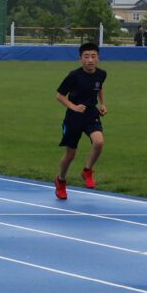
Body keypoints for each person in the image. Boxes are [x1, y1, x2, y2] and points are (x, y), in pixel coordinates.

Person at [54, 41, 107, 200]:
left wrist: (103, 103)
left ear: (98, 58)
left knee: (99, 142)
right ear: (80, 59)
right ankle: (61, 180)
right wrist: (73, 107)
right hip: (74, 117)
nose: (90, 60)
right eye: (86, 56)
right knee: (70, 155)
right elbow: (60, 96)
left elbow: (99, 87)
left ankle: (87, 170)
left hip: (91, 113)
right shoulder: (74, 76)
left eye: (93, 56)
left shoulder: (101, 74)